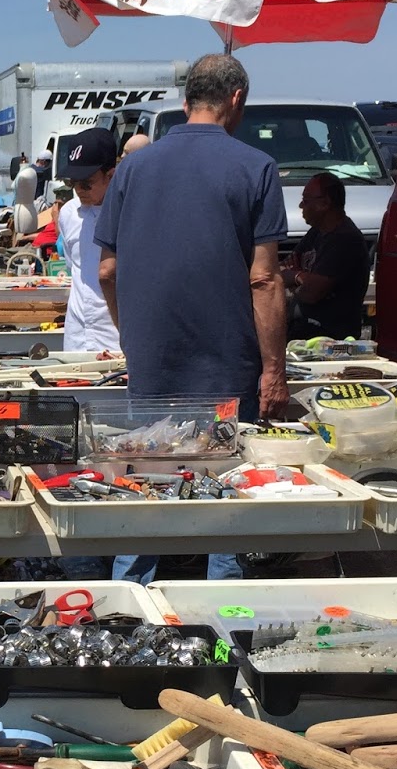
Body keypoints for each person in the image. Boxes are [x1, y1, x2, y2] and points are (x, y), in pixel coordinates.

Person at [95, 54, 288, 585]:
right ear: (236, 100)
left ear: (185, 101)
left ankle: (127, 613)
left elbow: (108, 269)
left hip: (152, 365)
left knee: (148, 493)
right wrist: (275, 369)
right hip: (226, 368)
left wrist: (131, 334)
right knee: (224, 499)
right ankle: (224, 626)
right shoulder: (256, 167)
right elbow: (265, 279)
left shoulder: (132, 167)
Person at [55, 129, 121, 353]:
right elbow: (74, 269)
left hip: (115, 337)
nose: (78, 190)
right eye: (73, 182)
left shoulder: (129, 213)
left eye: (87, 183)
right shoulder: (69, 214)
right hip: (77, 337)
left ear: (110, 176)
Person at [283, 171, 369, 341]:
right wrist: (301, 279)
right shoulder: (316, 233)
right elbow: (284, 268)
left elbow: (312, 292)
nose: (301, 205)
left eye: (306, 200)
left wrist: (297, 276)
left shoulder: (345, 239)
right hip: (301, 330)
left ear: (325, 203)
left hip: (329, 337)